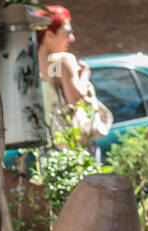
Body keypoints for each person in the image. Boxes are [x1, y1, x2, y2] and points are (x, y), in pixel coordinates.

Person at [37, 6, 112, 144]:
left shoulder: (32, 65)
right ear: (49, 35)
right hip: (72, 142)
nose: (71, 38)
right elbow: (75, 101)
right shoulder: (63, 61)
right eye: (67, 32)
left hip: (46, 142)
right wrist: (85, 75)